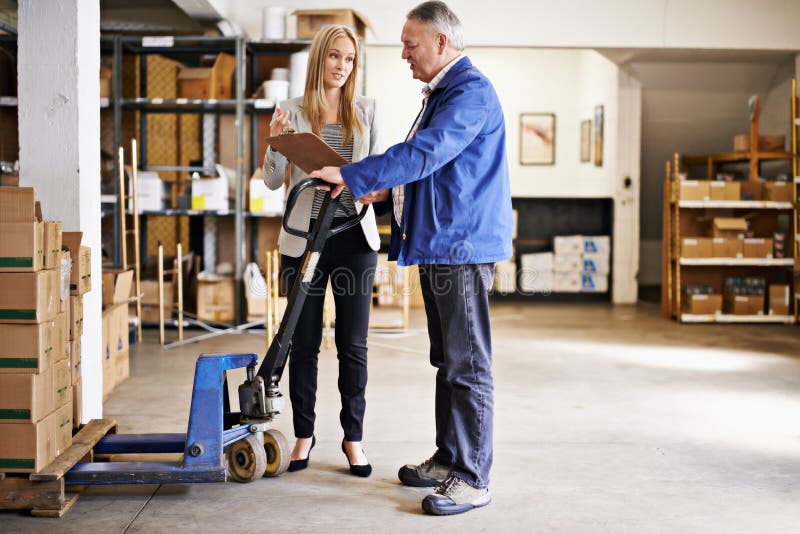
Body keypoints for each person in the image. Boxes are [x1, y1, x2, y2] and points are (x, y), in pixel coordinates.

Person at [310, 0, 513, 516]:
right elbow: (431, 168)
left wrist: (356, 177)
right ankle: (450, 458)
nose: (403, 53)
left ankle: (472, 477)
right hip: (442, 244)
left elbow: (427, 154)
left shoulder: (469, 93)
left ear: (441, 43)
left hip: (461, 247)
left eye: (410, 43)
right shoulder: (442, 94)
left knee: (468, 365)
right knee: (448, 361)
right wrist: (380, 194)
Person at [263, 24, 381, 478]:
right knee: (304, 342)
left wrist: (363, 181)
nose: (341, 66)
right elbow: (274, 181)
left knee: (353, 344)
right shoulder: (291, 109)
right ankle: (304, 435)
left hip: (354, 238)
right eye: (334, 56)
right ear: (319, 59)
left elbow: (378, 170)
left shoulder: (366, 110)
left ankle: (353, 439)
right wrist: (274, 142)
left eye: (349, 59)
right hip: (303, 240)